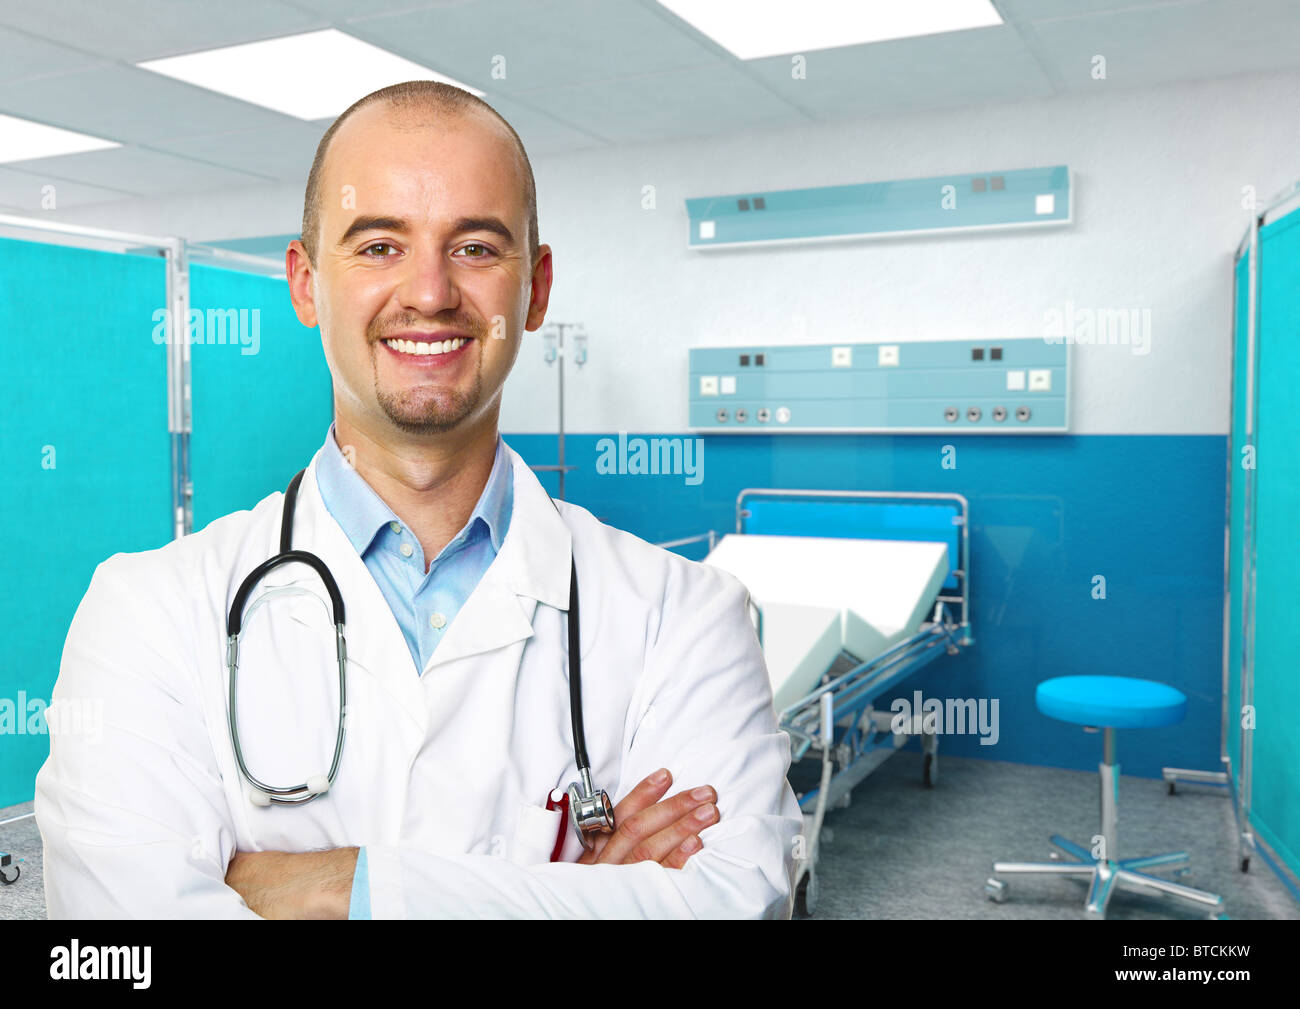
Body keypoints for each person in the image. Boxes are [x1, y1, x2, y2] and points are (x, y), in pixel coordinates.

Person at [35, 80, 803, 919]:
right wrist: (585, 895)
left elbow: (733, 899)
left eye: (476, 247)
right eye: (377, 247)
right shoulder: (148, 612)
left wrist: (342, 882)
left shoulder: (685, 617)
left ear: (536, 289)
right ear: (304, 283)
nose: (430, 292)